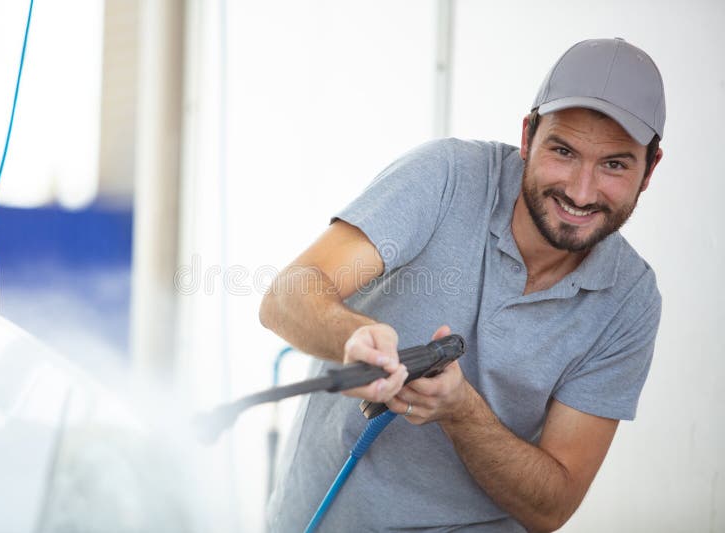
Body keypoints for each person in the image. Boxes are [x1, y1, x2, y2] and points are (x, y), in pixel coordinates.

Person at [259, 37, 665, 532]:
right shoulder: (446, 177)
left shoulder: (631, 301)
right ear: (527, 136)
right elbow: (287, 295)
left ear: (650, 169)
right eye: (563, 151)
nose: (581, 192)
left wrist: (460, 410)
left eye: (614, 164)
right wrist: (351, 336)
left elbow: (551, 507)